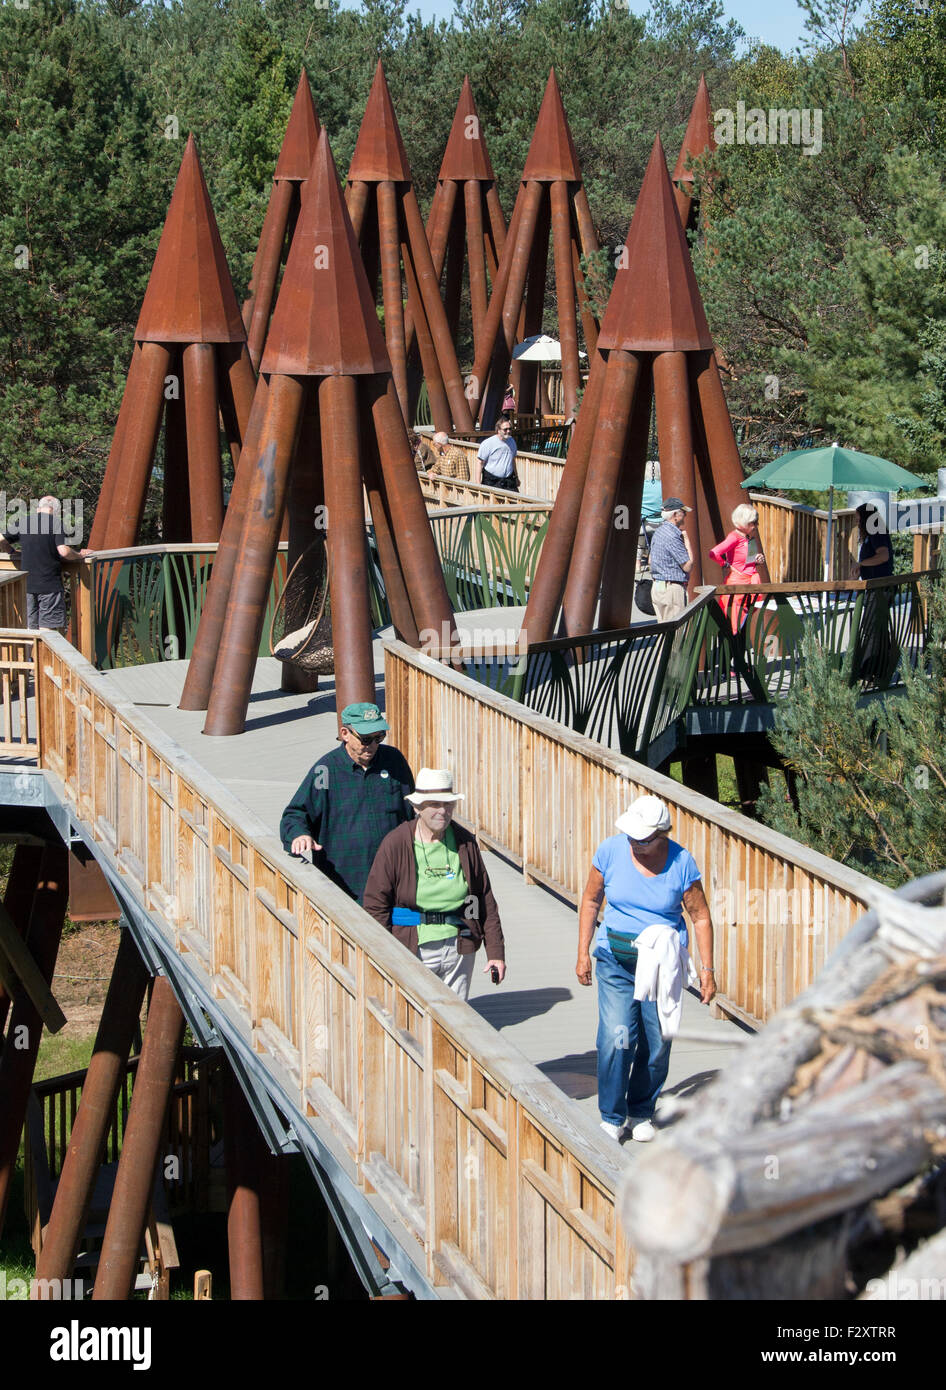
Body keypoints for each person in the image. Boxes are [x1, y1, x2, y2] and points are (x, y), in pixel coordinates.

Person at [575, 795, 715, 1142]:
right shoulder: (610, 851)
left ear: (662, 834)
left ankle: (640, 1111)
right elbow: (592, 900)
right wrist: (582, 952)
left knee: (657, 1041)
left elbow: (700, 916)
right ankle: (611, 1113)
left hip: (661, 969)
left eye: (644, 839)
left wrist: (708, 970)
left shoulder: (682, 863)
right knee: (617, 1036)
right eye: (632, 838)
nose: (636, 844)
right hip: (615, 959)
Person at [363, 769, 506, 1000]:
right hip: (411, 945)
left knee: (456, 1020)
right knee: (412, 1018)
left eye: (448, 804)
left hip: (459, 945)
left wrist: (496, 952)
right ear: (417, 807)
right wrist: (383, 954)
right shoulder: (396, 843)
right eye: (434, 804)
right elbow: (375, 905)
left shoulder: (464, 841)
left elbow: (484, 898)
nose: (443, 811)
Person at [280, 702, 414, 904]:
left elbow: (413, 810)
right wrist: (299, 835)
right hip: (347, 883)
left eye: (379, 737)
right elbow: (295, 814)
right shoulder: (325, 770)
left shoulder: (394, 760)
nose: (373, 745)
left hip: (395, 875)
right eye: (366, 739)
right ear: (345, 734)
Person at [0, 495, 92, 631]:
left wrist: (11, 551)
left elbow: (1, 538)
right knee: (46, 631)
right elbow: (64, 552)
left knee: (31, 629)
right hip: (49, 585)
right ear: (56, 511)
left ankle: (30, 653)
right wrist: (79, 555)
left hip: (27, 584)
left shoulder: (24, 521)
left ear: (38, 509)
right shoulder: (56, 523)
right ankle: (41, 653)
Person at [708, 503, 766, 635]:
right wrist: (726, 565)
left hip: (749, 583)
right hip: (737, 585)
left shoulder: (746, 538)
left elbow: (746, 562)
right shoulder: (734, 537)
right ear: (744, 522)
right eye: (753, 522)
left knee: (743, 624)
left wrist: (757, 559)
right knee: (734, 626)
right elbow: (713, 553)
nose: (756, 525)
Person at [648, 497, 693, 622]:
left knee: (664, 633)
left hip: (657, 587)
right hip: (672, 589)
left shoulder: (659, 531)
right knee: (675, 635)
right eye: (684, 513)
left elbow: (650, 561)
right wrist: (687, 541)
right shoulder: (673, 535)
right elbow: (688, 566)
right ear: (675, 515)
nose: (685, 516)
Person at [474, 418, 519, 492]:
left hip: (508, 480)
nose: (508, 431)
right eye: (505, 429)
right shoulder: (488, 443)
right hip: (492, 481)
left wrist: (516, 477)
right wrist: (478, 483)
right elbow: (480, 462)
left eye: (510, 429)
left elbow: (513, 460)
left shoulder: (512, 441)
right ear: (498, 430)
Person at [853, 502, 893, 579]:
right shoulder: (871, 534)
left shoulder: (877, 533)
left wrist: (861, 564)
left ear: (865, 519)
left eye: (858, 520)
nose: (857, 524)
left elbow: (883, 556)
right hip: (873, 584)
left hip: (880, 586)